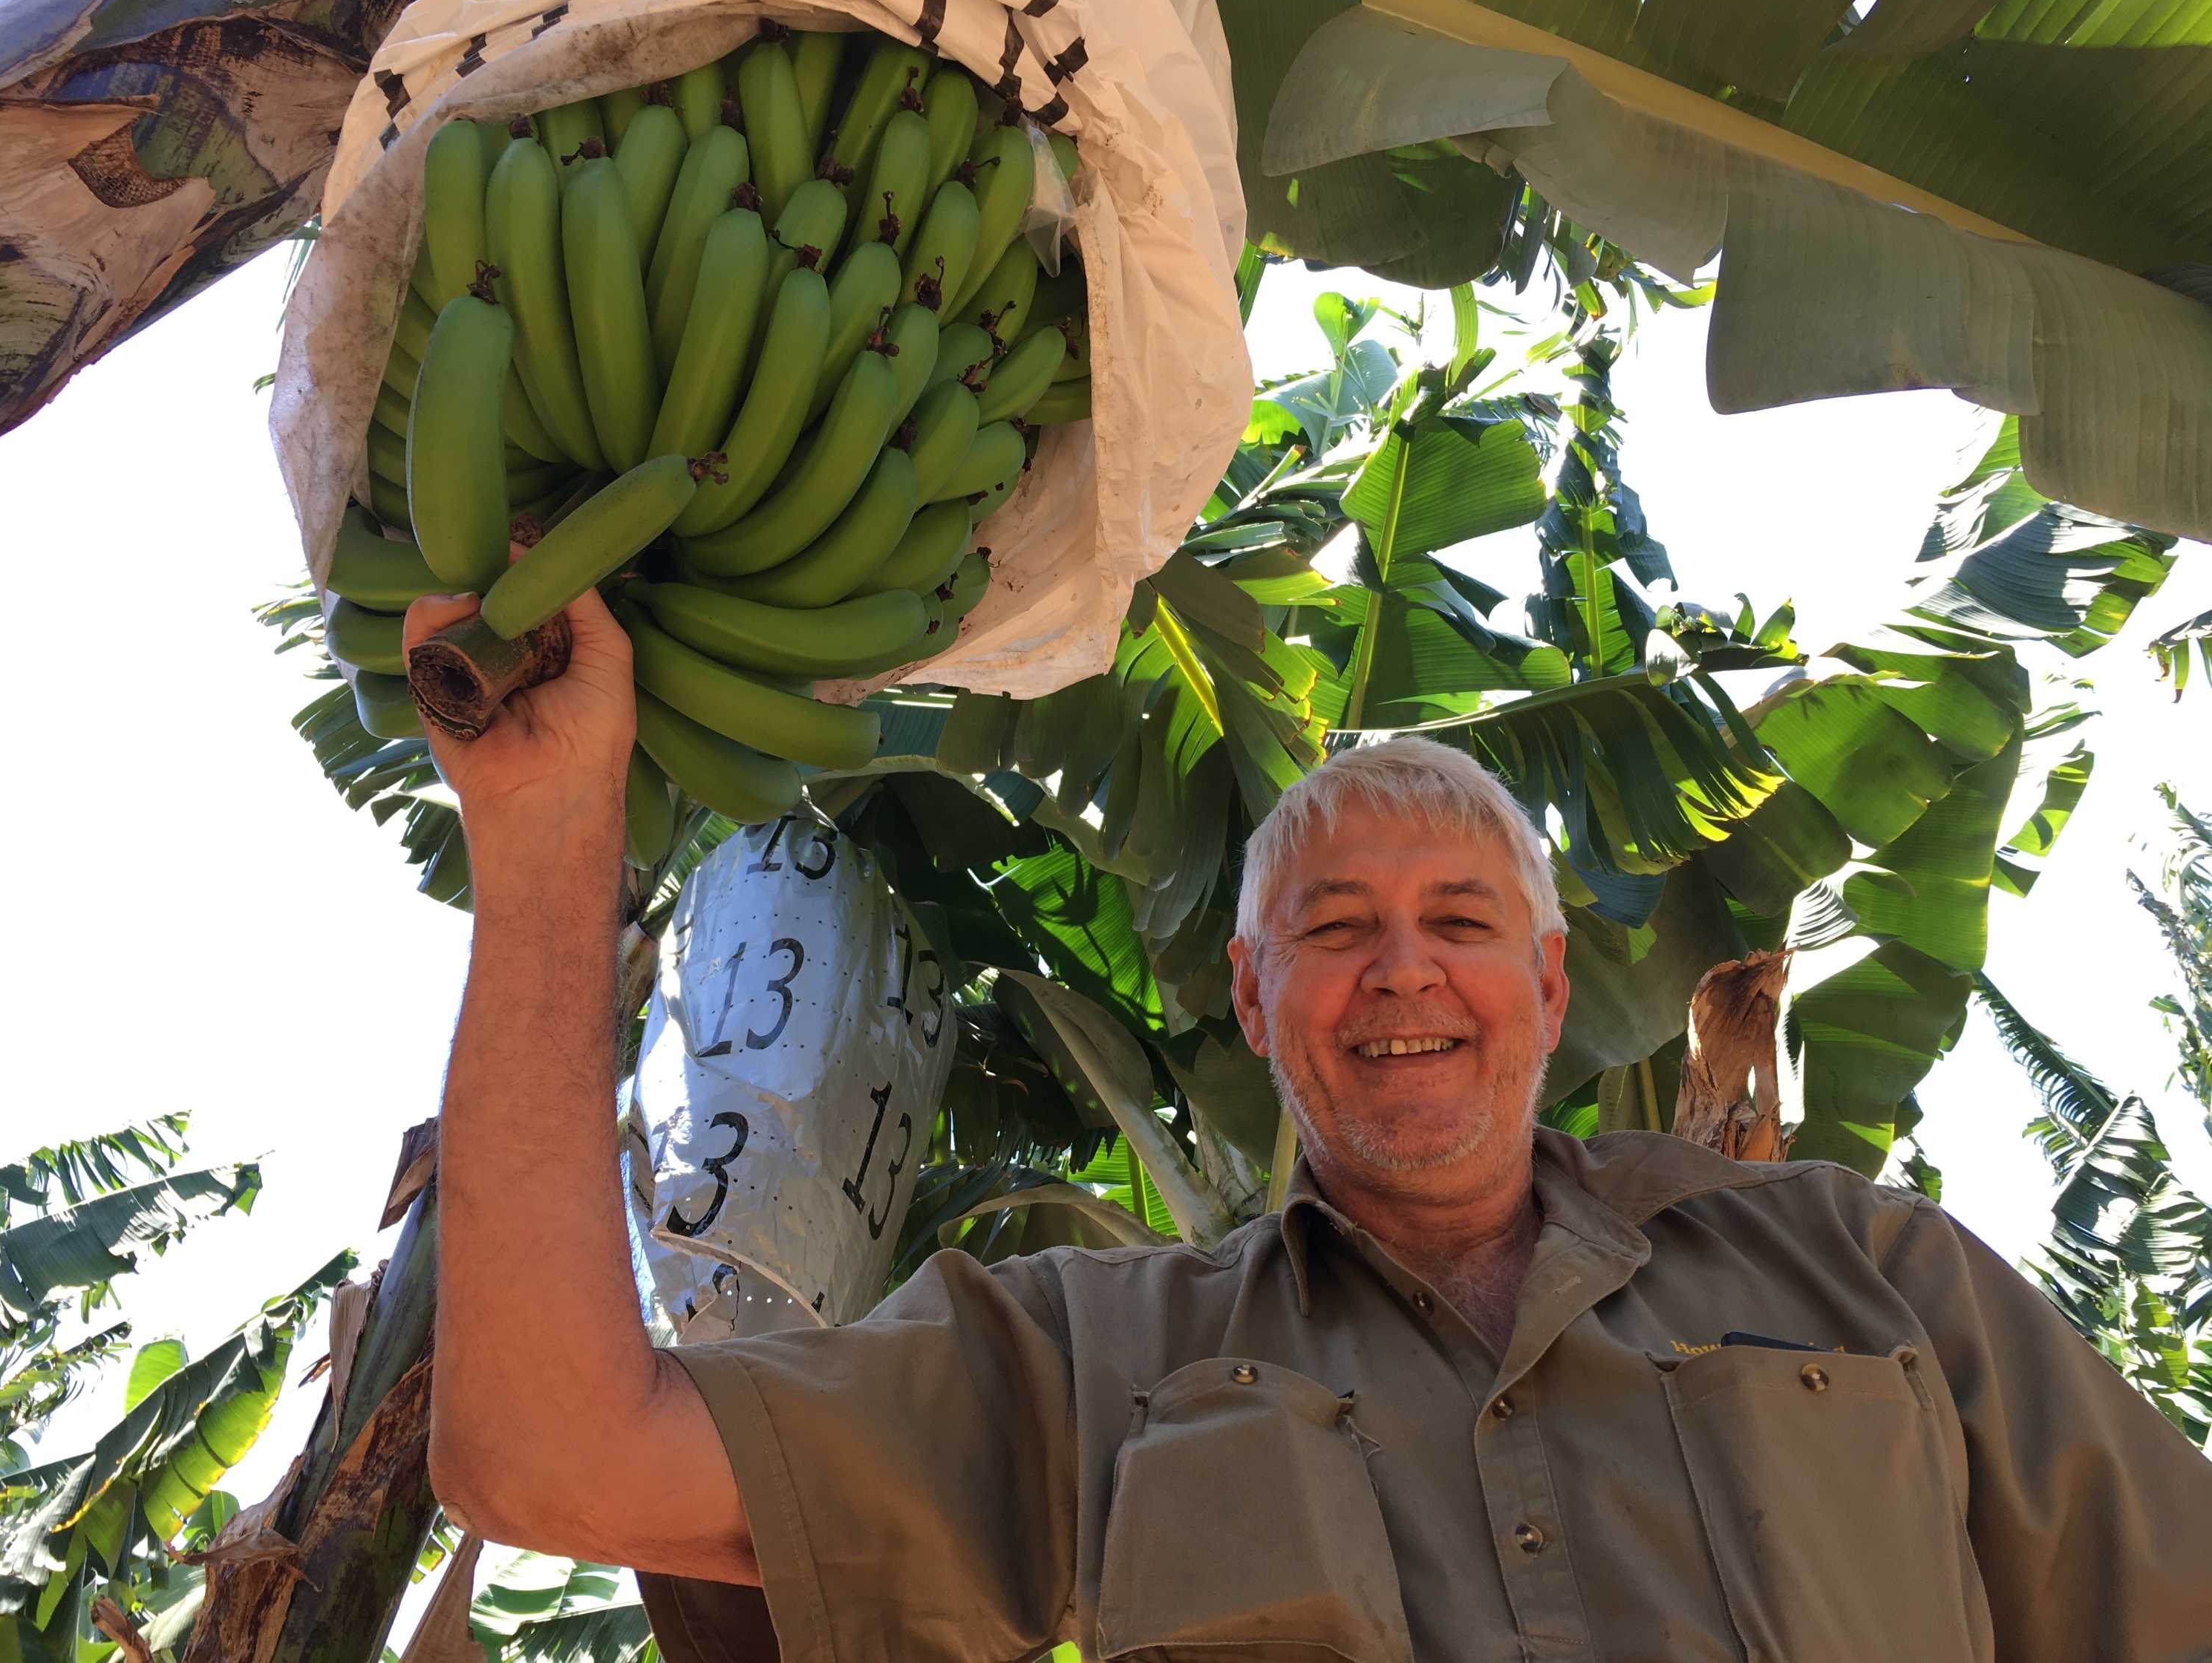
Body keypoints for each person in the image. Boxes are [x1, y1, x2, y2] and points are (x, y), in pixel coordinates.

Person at [409, 585, 2212, 1663]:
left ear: (1553, 988)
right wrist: (548, 835)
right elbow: (550, 1460)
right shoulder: (1102, 1363)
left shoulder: (1857, 1273)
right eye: (1335, 935)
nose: (1403, 977)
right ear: (1258, 1006)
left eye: (1462, 925)